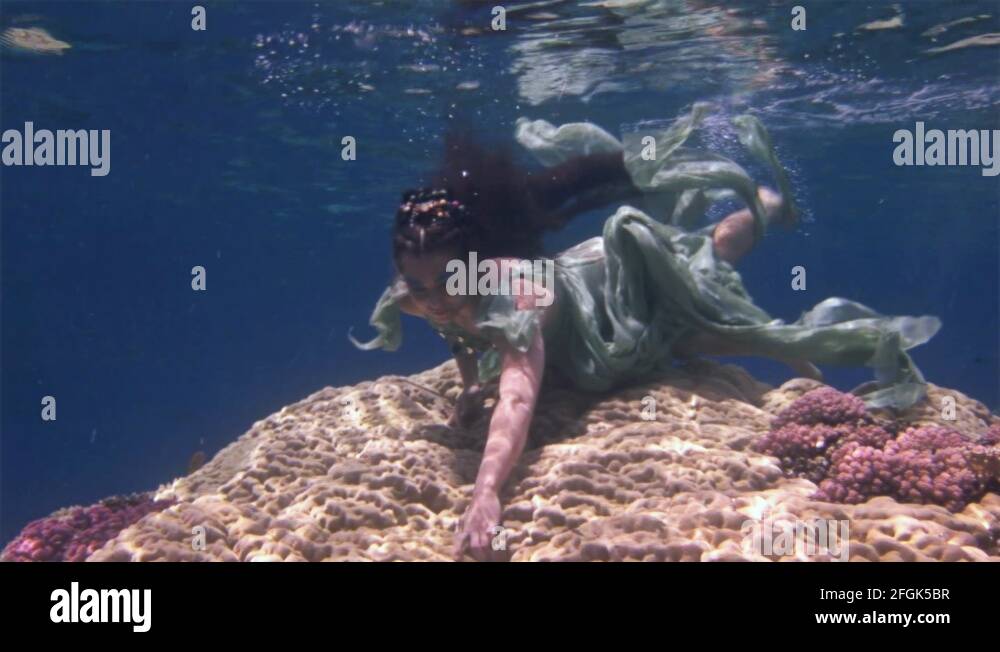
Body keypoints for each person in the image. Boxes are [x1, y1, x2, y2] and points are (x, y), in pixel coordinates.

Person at [351, 104, 941, 561]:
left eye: (444, 282)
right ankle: (757, 217)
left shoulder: (514, 298)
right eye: (417, 284)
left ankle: (766, 205)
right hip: (575, 278)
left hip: (615, 290)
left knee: (708, 284)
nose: (432, 300)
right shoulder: (415, 296)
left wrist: (487, 492)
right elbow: (457, 331)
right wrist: (466, 380)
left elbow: (520, 392)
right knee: (705, 288)